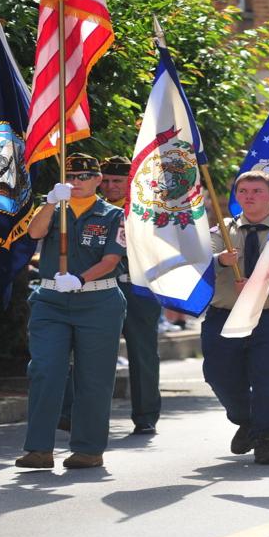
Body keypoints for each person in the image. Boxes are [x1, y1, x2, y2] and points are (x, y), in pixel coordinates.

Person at [15, 155, 128, 470]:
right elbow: (34, 233)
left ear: (97, 179)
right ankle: (39, 449)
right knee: (44, 370)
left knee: (93, 377)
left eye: (84, 175)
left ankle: (88, 449)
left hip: (98, 302)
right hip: (51, 300)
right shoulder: (54, 208)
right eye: (71, 175)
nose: (76, 181)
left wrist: (79, 279)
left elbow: (110, 260)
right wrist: (50, 202)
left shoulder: (114, 215)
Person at [200, 170, 269, 466]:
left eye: (257, 191)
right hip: (226, 315)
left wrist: (259, 287)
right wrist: (220, 260)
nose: (249, 197)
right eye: (243, 191)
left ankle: (268, 439)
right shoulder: (222, 231)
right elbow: (198, 266)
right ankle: (246, 419)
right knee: (218, 373)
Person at [61, 155, 161, 435]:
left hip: (136, 287)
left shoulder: (146, 211)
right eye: (106, 180)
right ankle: (71, 412)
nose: (111, 186)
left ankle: (145, 415)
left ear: (131, 182)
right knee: (81, 350)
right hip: (96, 287)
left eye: (118, 181)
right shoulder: (92, 208)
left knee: (142, 353)